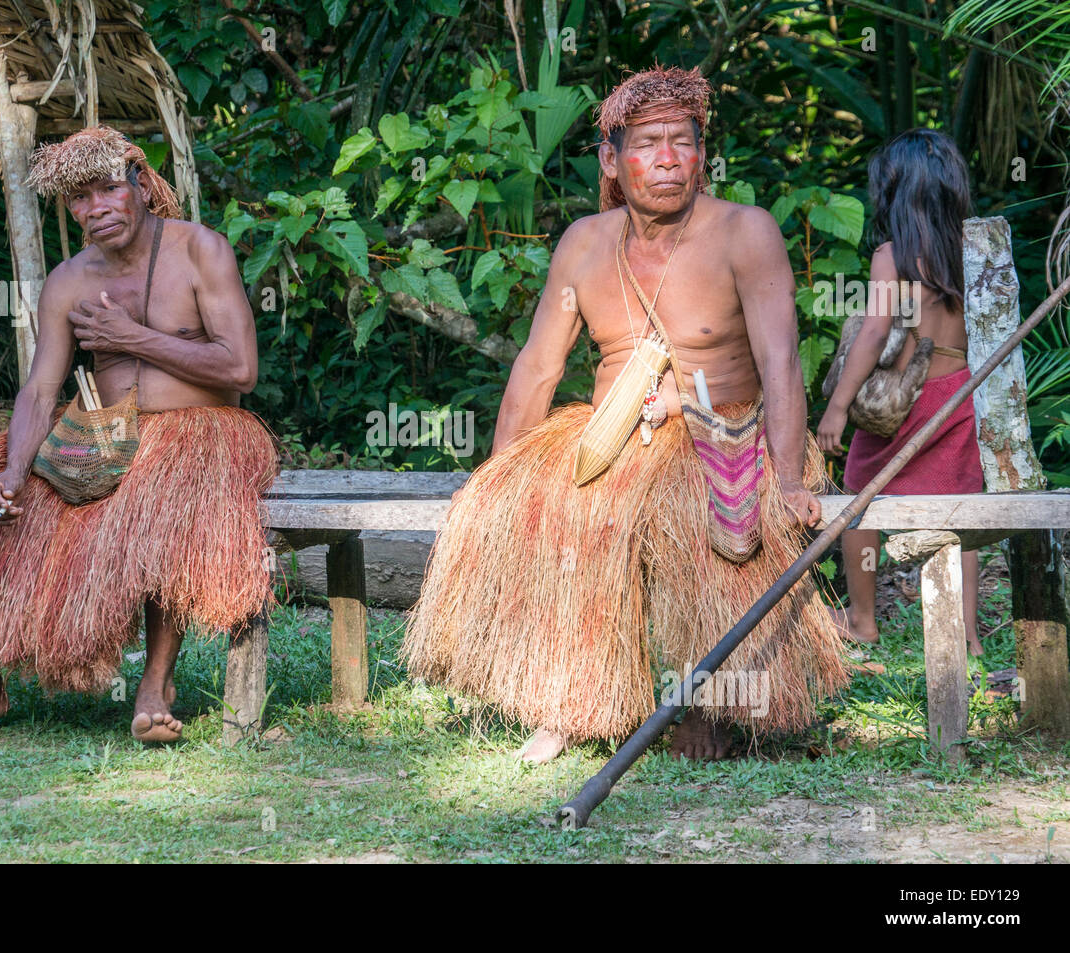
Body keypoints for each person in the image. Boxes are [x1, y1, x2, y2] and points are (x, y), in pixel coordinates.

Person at [403, 66, 848, 763]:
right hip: (609, 435)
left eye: (682, 142)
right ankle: (569, 698)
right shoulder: (584, 242)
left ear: (703, 154)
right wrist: (494, 475)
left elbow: (782, 363)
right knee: (555, 511)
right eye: (648, 144)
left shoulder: (745, 233)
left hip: (720, 433)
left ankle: (709, 704)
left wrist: (788, 480)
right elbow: (538, 366)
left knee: (682, 516)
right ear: (611, 158)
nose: (668, 159)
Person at [0, 125, 277, 741]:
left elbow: (240, 370)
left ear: (140, 184)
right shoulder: (69, 280)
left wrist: (132, 338)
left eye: (108, 189)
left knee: (157, 498)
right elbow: (39, 389)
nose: (96, 208)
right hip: (101, 434)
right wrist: (12, 470)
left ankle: (154, 686)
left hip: (203, 431)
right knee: (3, 502)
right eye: (79, 199)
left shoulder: (201, 251)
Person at [818, 128, 985, 655]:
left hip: (904, 406)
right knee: (962, 513)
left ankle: (863, 619)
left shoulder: (893, 256)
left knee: (858, 499)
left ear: (893, 193)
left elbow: (873, 332)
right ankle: (969, 637)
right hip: (957, 396)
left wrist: (838, 406)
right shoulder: (974, 248)